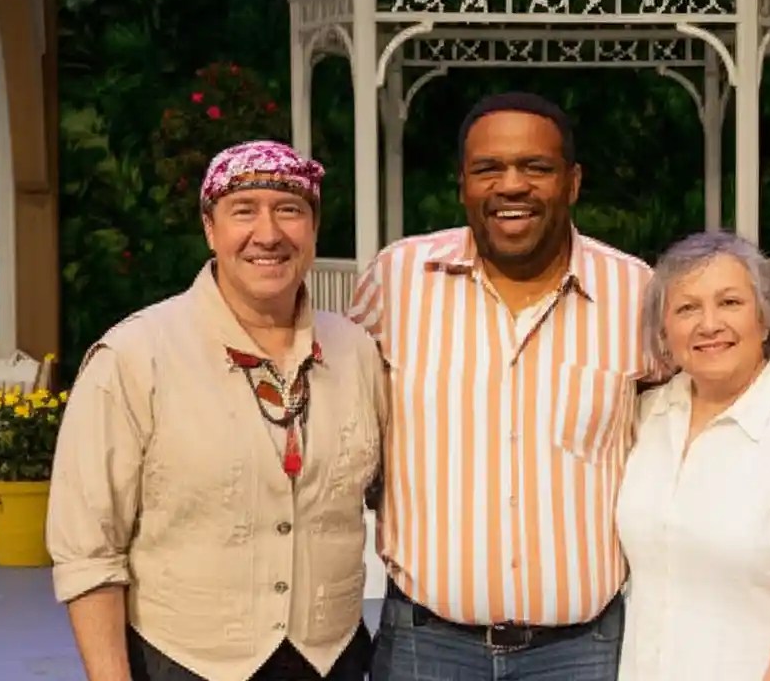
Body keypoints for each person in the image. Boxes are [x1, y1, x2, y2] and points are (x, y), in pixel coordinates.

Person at [46, 140, 382, 681]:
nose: (268, 234)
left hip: (331, 661)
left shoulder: (356, 352)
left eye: (290, 210)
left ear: (314, 229)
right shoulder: (136, 356)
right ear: (210, 228)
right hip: (183, 661)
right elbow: (89, 549)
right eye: (244, 211)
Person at [347, 91, 655, 681]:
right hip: (427, 644)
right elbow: (338, 396)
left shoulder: (633, 293)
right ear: (463, 183)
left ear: (573, 181)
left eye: (535, 167)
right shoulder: (399, 281)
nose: (511, 185)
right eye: (489, 168)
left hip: (582, 651)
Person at [616, 231, 770, 681]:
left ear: (765, 319)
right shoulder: (648, 415)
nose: (709, 324)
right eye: (687, 308)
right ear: (665, 332)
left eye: (729, 303)